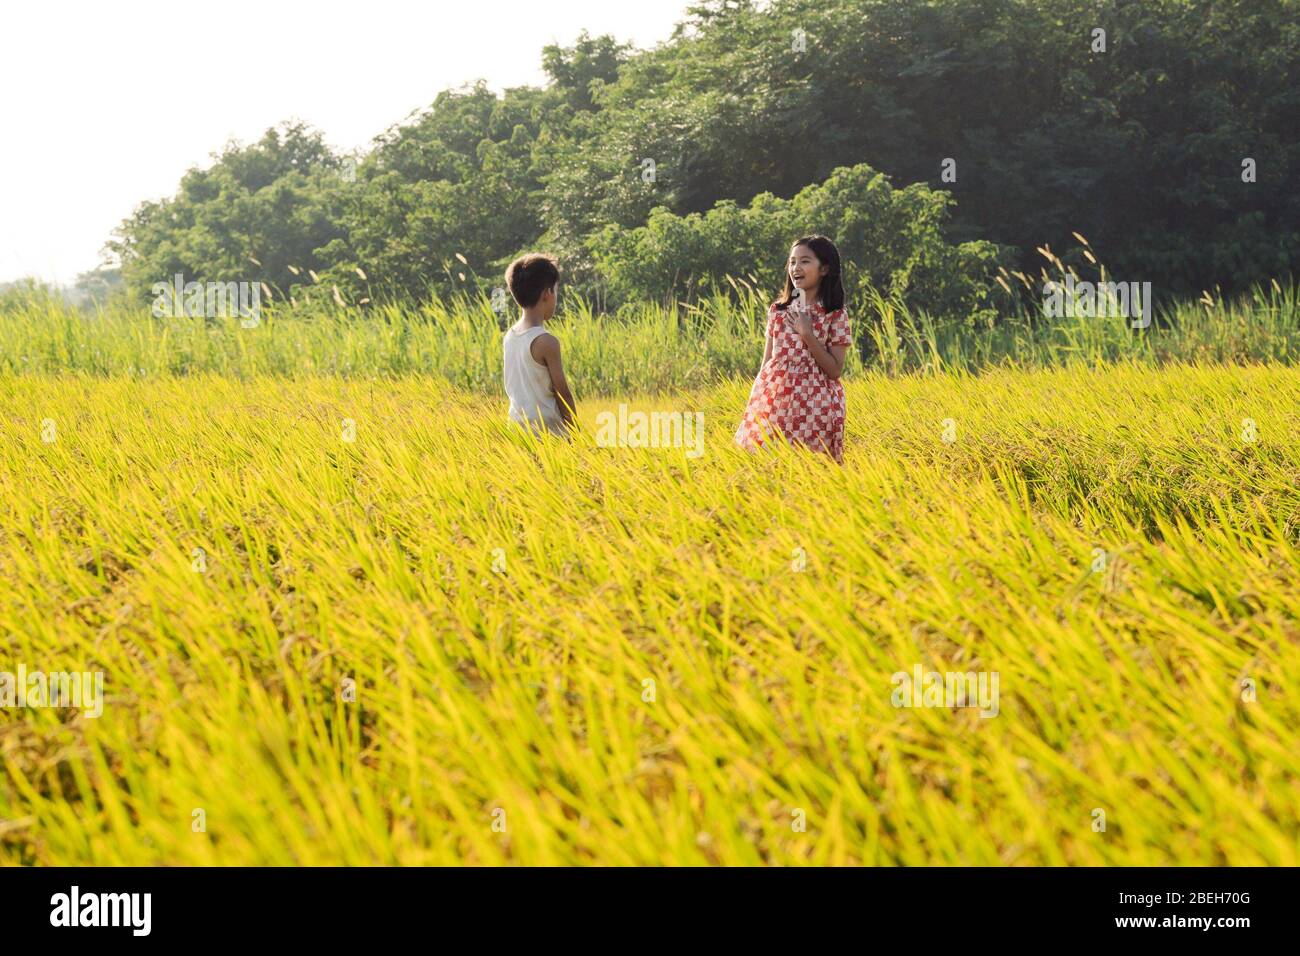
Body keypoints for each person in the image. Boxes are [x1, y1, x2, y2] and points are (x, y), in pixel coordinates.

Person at [734, 235, 851, 462]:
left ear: (824, 268)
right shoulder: (778, 311)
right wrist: (755, 403)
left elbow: (835, 370)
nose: (796, 268)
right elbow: (766, 363)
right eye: (792, 262)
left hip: (816, 407)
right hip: (777, 402)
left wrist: (807, 334)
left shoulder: (835, 314)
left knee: (812, 468)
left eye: (805, 261)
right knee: (768, 464)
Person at [501, 253, 575, 436]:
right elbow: (562, 393)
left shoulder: (509, 336)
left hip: (517, 431)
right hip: (548, 435)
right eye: (556, 290)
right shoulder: (546, 342)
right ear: (547, 294)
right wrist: (575, 431)